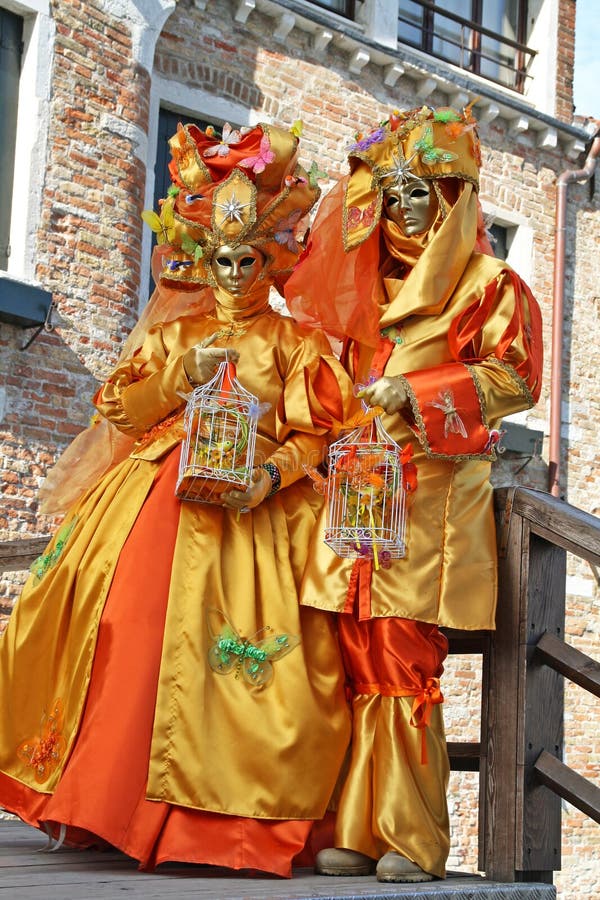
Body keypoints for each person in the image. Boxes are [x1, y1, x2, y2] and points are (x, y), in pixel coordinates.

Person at [0, 121, 352, 877]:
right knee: (127, 631)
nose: (230, 273)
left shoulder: (297, 347)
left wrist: (270, 476)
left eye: (247, 258)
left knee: (242, 658)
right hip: (153, 502)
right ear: (203, 257)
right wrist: (179, 377)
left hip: (252, 516)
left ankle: (221, 822)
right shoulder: (174, 335)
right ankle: (107, 805)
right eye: (219, 258)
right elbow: (121, 413)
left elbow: (320, 434)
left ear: (270, 260)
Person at [285, 104, 543, 883]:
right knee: (356, 661)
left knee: (403, 659)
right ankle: (358, 832)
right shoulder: (361, 285)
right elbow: (332, 387)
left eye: (417, 194)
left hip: (430, 502)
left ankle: (415, 839)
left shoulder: (489, 284)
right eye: (390, 197)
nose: (401, 210)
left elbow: (517, 378)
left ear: (450, 198)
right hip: (358, 498)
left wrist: (418, 393)